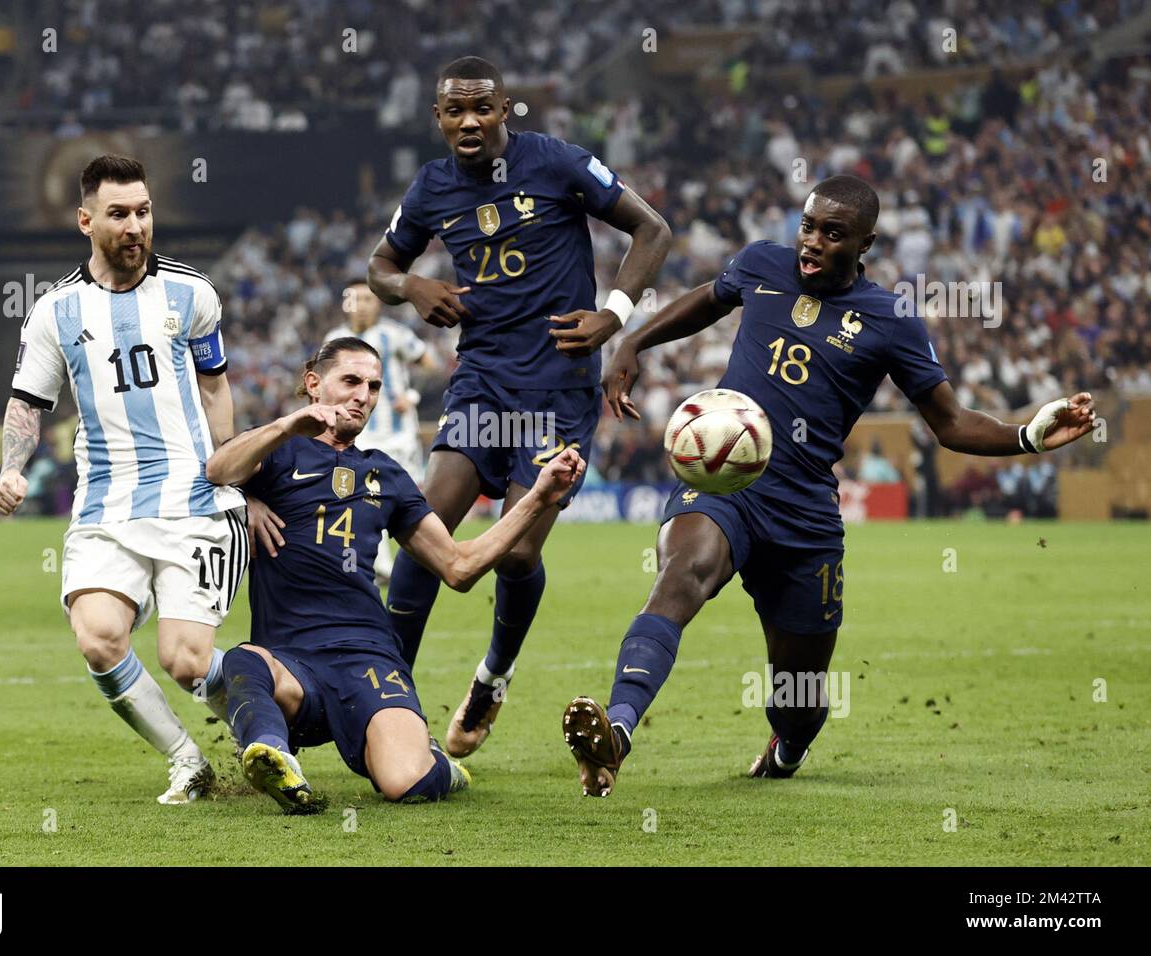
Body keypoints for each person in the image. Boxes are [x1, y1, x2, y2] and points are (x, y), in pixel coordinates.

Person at [565, 175, 1096, 796]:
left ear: (865, 243)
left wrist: (1027, 434)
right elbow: (711, 298)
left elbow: (951, 424)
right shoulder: (762, 262)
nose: (813, 242)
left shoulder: (891, 319)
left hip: (805, 511)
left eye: (833, 234)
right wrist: (635, 341)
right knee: (682, 574)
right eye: (809, 226)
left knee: (799, 697)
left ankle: (788, 746)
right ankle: (617, 733)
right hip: (728, 485)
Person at [367, 55, 671, 758]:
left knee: (517, 550)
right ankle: (386, 698)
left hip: (559, 389)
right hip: (482, 379)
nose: (468, 122)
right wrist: (413, 287)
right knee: (424, 528)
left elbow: (651, 228)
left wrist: (612, 314)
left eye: (482, 108)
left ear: (505, 109)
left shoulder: (557, 163)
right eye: (454, 111)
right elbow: (380, 267)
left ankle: (492, 677)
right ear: (438, 119)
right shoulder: (432, 186)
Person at [206, 338, 583, 808]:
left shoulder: (386, 476)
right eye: (351, 381)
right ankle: (275, 757)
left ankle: (440, 767)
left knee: (406, 785)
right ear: (313, 384)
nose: (363, 394)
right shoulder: (278, 453)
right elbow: (218, 470)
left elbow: (458, 567)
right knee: (243, 660)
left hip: (369, 658)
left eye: (374, 386)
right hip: (293, 665)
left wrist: (539, 498)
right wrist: (284, 433)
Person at [0, 154, 248, 804]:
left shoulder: (193, 294)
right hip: (107, 505)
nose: (135, 225)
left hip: (192, 501)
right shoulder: (55, 312)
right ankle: (188, 761)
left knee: (186, 662)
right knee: (98, 638)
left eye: (143, 211)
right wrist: (12, 469)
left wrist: (230, 465)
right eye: (119, 214)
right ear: (86, 220)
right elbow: (28, 402)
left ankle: (264, 719)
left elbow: (216, 388)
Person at [324, 278, 437, 583]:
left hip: (400, 433)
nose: (361, 305)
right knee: (365, 496)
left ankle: (415, 562)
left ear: (378, 303)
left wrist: (411, 395)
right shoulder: (334, 339)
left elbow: (430, 363)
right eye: (355, 299)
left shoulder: (394, 334)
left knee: (407, 496)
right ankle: (383, 568)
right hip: (359, 431)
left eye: (368, 299)